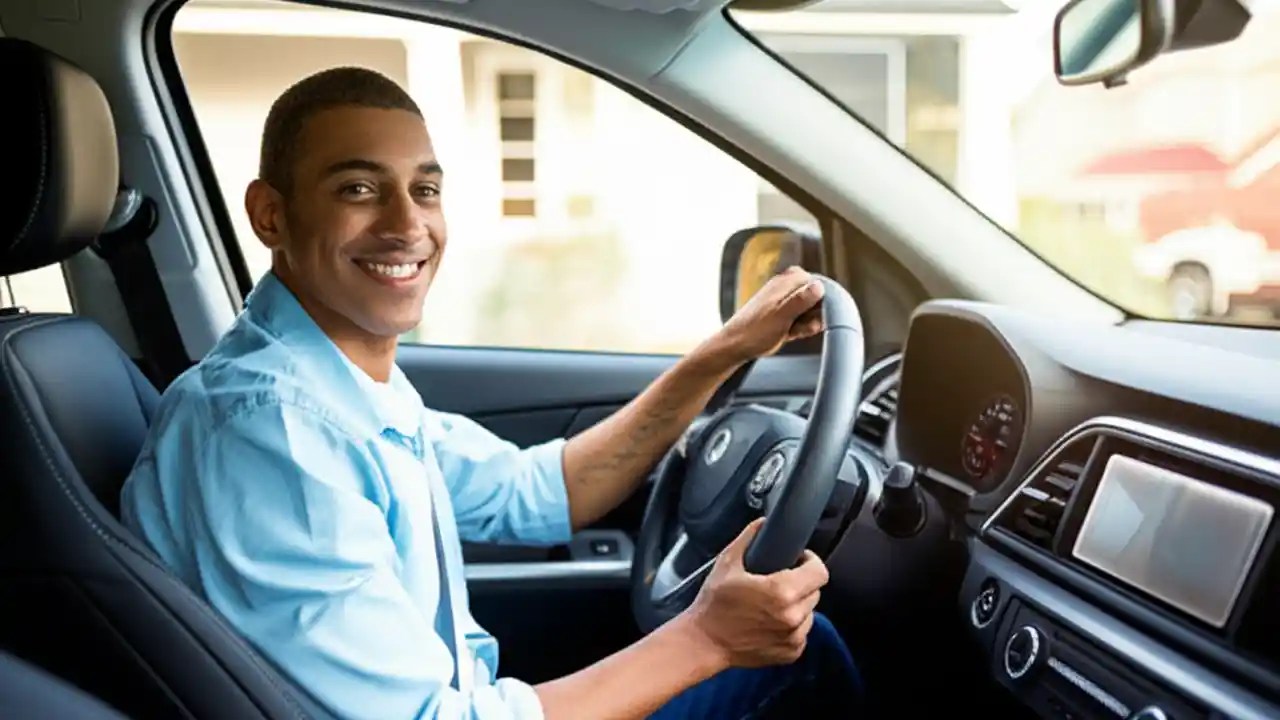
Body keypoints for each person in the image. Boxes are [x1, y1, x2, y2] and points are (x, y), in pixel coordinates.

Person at [120, 67, 862, 720]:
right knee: (806, 655)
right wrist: (706, 636)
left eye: (426, 190)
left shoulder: (334, 387)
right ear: (270, 215)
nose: (407, 224)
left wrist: (723, 352)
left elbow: (540, 491)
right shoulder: (272, 430)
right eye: (358, 189)